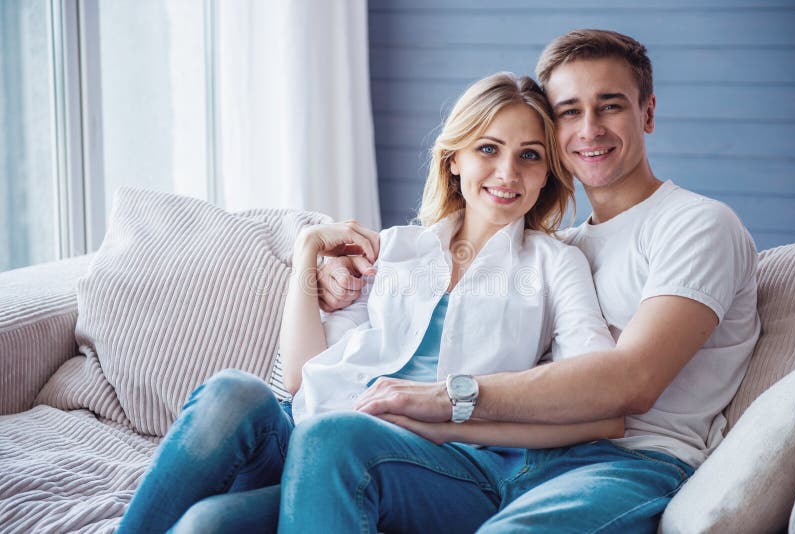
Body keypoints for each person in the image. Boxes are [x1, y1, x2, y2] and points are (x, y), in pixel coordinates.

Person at [117, 72, 624, 534]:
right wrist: (307, 253)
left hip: (419, 461)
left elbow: (599, 394)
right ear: (454, 159)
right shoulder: (398, 248)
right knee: (232, 391)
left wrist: (446, 418)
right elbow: (301, 378)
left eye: (529, 155)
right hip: (307, 431)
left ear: (547, 174)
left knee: (205, 526)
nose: (508, 172)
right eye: (488, 149)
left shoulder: (554, 264)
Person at [309, 29, 760, 532]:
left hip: (630, 463)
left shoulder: (696, 223)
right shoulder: (561, 249)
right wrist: (331, 268)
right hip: (512, 456)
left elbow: (631, 384)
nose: (589, 129)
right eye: (569, 111)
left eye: (609, 106)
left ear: (647, 113)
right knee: (304, 463)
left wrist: (447, 400)